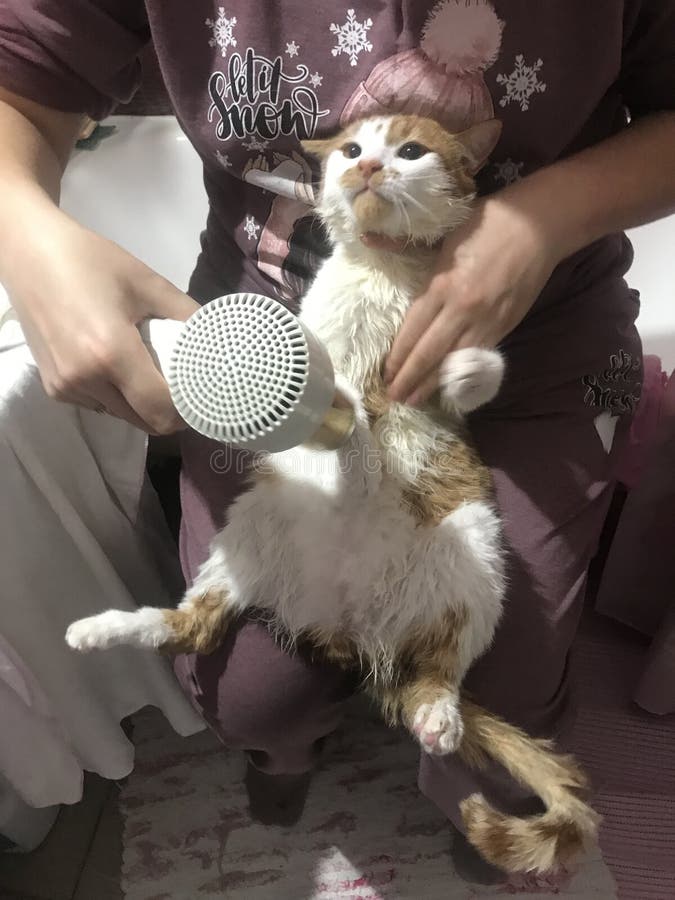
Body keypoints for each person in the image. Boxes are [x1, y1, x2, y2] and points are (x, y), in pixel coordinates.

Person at [1, 0, 674, 884]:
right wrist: (24, 228)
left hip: (538, 338)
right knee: (252, 692)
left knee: (504, 681)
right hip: (273, 346)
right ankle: (282, 753)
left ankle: (479, 810)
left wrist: (541, 220)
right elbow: (25, 74)